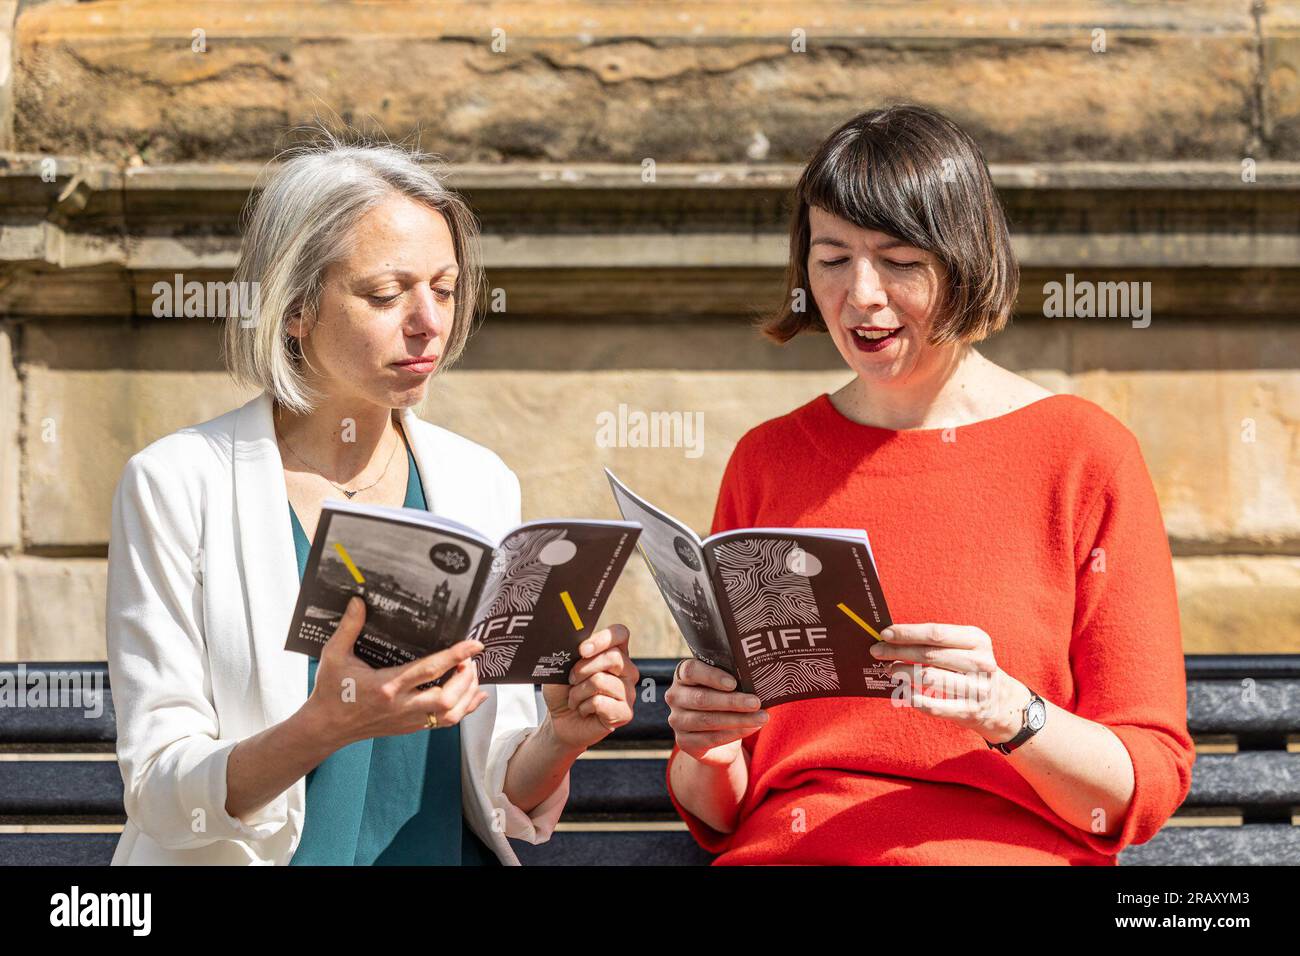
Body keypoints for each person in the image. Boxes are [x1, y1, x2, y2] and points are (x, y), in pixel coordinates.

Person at [664, 105, 1196, 865]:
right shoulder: (767, 458)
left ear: (965, 259)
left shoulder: (1084, 455)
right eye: (832, 257)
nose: (862, 294)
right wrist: (707, 749)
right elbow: (721, 809)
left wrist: (1009, 711)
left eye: (900, 260)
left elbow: (1137, 792)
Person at [105, 134, 639, 865]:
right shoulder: (176, 484)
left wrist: (563, 735)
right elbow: (161, 793)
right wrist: (325, 726)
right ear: (294, 309)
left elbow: (498, 790)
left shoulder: (479, 480)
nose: (429, 322)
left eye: (444, 289)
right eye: (386, 294)